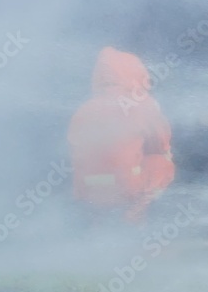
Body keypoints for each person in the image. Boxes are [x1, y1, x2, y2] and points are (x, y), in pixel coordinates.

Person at [67, 46, 175, 224]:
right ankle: (140, 214)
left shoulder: (83, 110)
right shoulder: (142, 105)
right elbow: (160, 143)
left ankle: (98, 229)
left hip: (89, 193)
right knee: (161, 157)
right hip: (128, 190)